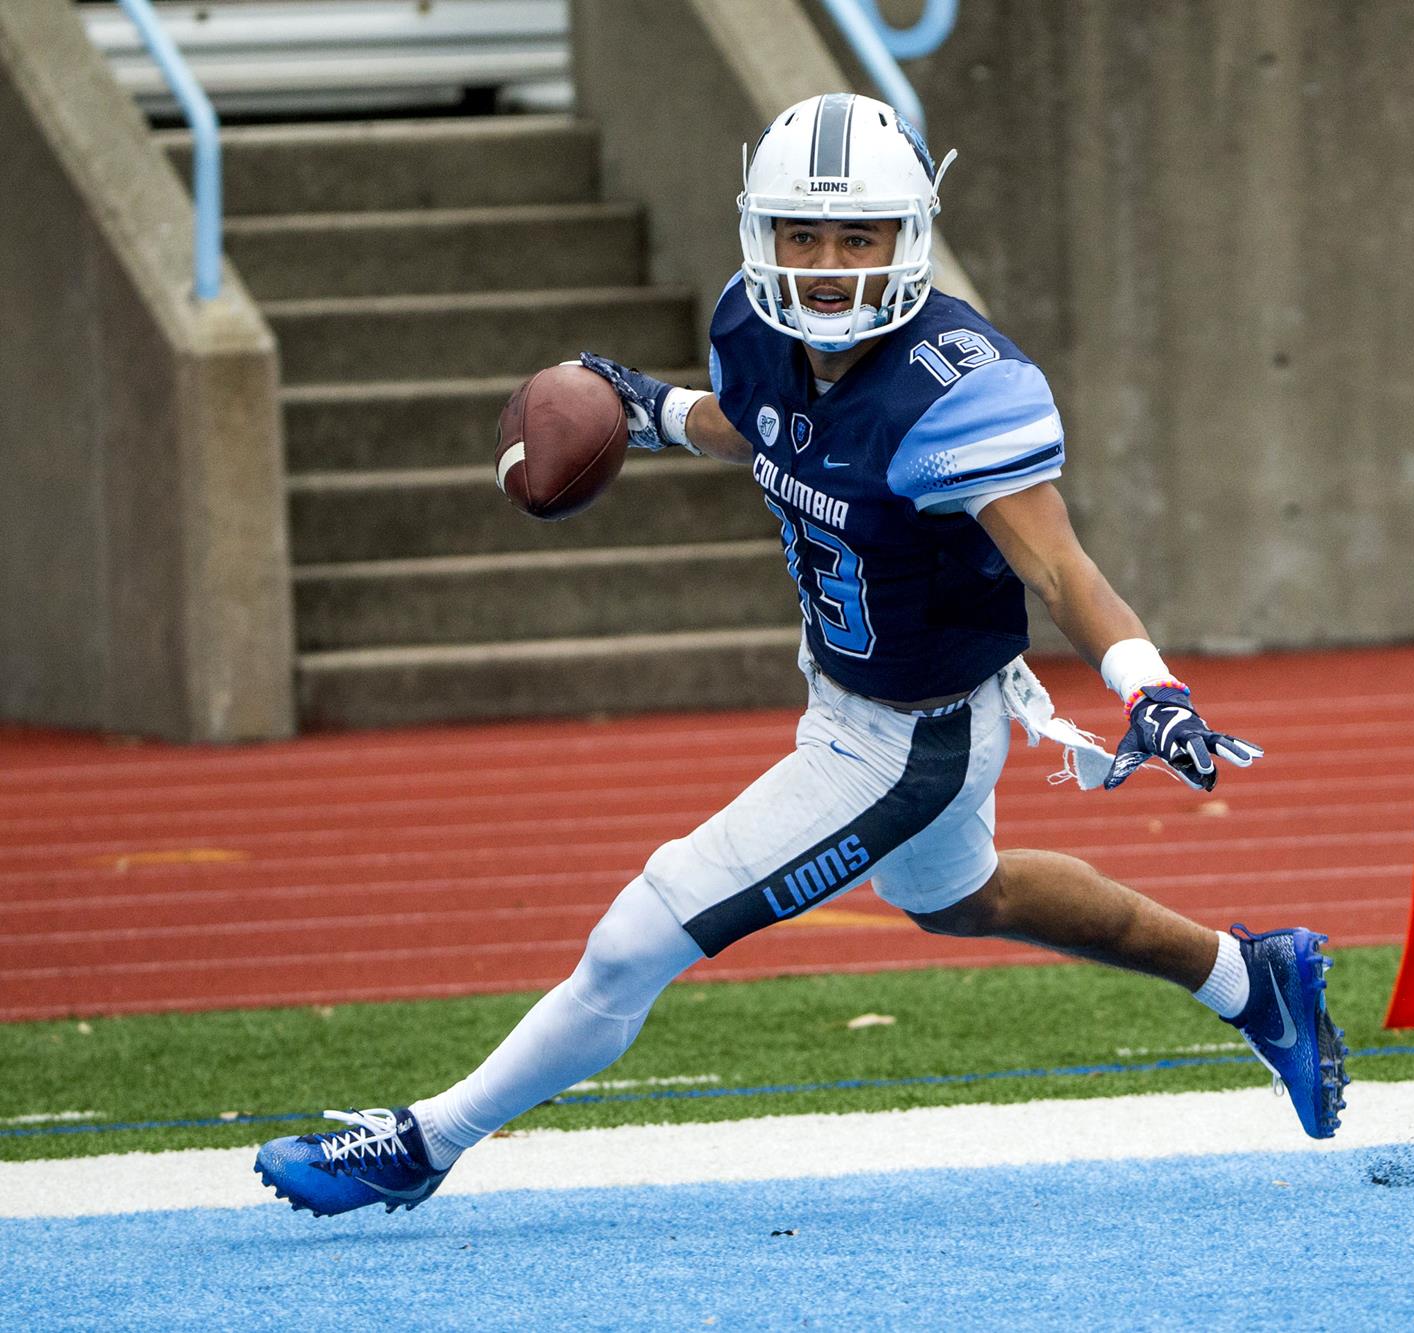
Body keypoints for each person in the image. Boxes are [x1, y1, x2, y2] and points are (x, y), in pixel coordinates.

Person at [255, 93, 1348, 1218]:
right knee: (964, 896)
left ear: (906, 238)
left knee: (640, 933)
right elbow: (770, 423)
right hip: (846, 688)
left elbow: (1059, 568)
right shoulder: (753, 327)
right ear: (761, 234)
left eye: (857, 238)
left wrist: (1148, 685)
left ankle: (425, 1141)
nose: (826, 265)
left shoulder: (958, 392)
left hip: (912, 736)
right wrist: (658, 410)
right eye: (802, 235)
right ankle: (1246, 977)